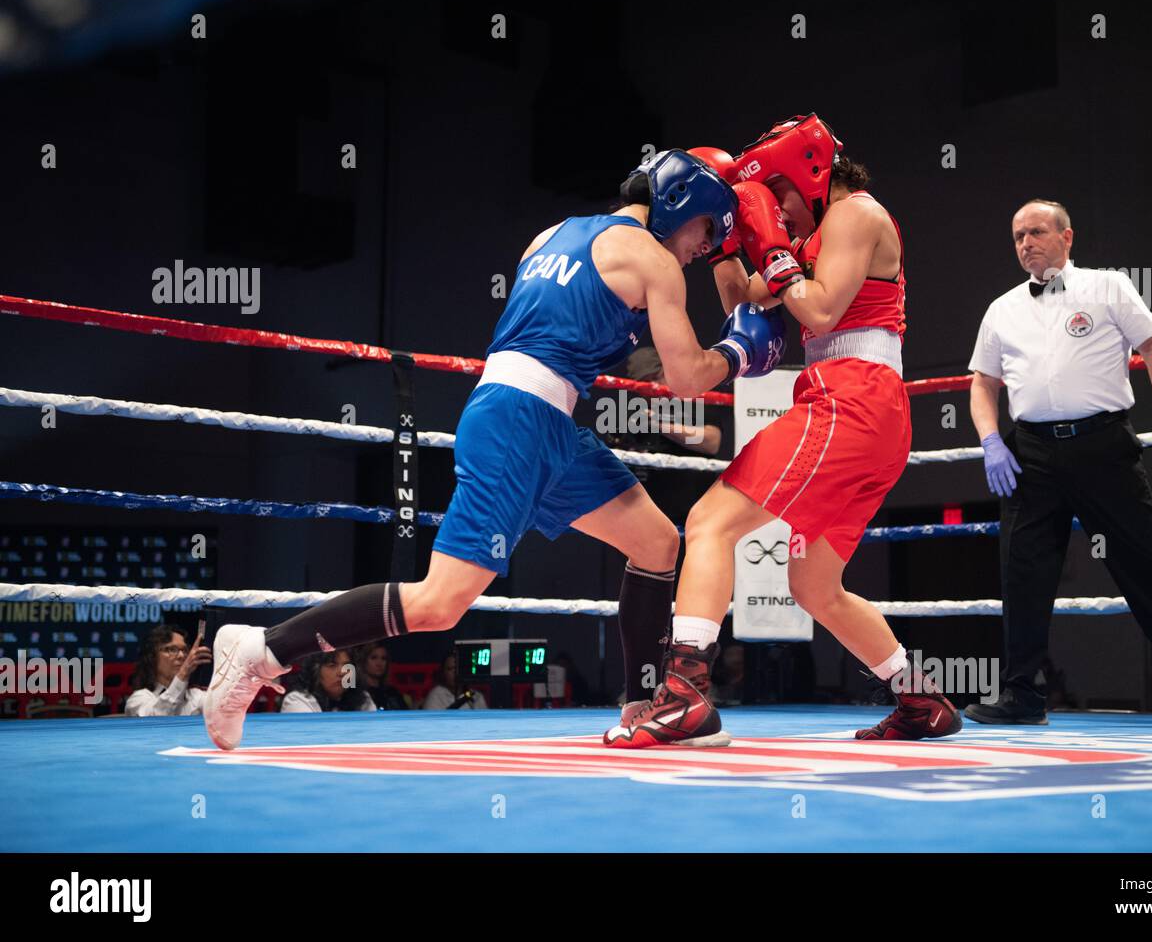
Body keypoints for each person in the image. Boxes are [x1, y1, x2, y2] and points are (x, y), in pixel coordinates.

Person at [203, 148, 785, 750]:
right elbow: (687, 379)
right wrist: (740, 352)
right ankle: (259, 652)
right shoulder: (653, 261)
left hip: (540, 419)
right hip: (520, 420)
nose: (703, 246)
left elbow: (563, 326)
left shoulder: (551, 235)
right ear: (679, 204)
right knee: (440, 603)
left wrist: (726, 264)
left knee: (657, 542)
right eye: (706, 230)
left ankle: (644, 706)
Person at [609, 114, 962, 747]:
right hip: (867, 412)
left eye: (781, 197)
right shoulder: (814, 235)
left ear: (809, 175)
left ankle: (685, 692)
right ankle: (921, 700)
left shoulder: (855, 215)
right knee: (815, 585)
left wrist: (774, 251)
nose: (782, 213)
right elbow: (742, 299)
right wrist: (725, 241)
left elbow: (819, 307)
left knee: (710, 522)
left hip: (850, 399)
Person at [964, 198, 1152, 728]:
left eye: (1037, 232)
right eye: (1018, 236)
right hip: (1031, 454)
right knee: (1022, 573)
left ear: (1067, 238)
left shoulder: (1109, 286)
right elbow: (983, 383)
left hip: (1103, 446)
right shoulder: (1002, 308)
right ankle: (1022, 695)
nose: (1026, 243)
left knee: (1145, 564)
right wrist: (991, 440)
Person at [124, 624, 210, 717]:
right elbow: (159, 721)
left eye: (184, 650)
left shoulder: (196, 696)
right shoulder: (138, 700)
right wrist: (183, 673)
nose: (182, 656)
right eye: (172, 649)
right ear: (152, 657)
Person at [281, 649, 377, 713]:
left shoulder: (363, 698)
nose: (342, 673)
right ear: (315, 670)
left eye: (347, 666)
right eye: (332, 665)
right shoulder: (297, 700)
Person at [421, 652, 487, 710]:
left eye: (458, 668)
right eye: (450, 669)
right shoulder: (436, 696)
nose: (455, 672)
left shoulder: (476, 696)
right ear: (443, 672)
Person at [354, 641, 409, 710]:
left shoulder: (392, 693)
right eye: (374, 658)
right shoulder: (357, 693)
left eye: (383, 658)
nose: (379, 663)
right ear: (364, 661)